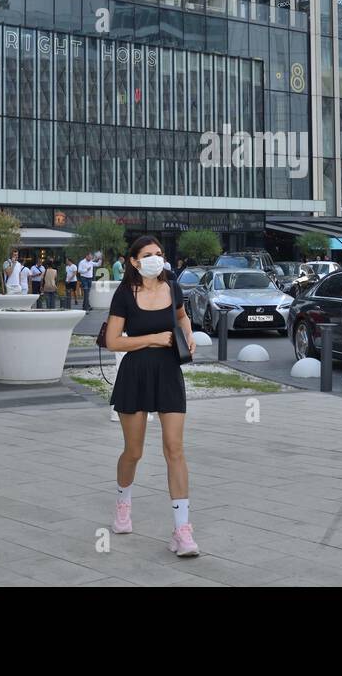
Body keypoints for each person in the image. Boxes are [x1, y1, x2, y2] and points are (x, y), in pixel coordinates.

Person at [105, 235, 198, 557]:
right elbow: (113, 341)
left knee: (175, 449)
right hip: (135, 374)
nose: (156, 259)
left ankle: (182, 531)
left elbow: (182, 315)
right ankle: (122, 503)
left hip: (169, 372)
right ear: (134, 261)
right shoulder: (124, 294)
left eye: (159, 253)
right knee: (133, 451)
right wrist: (153, 339)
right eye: (148, 254)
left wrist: (187, 333)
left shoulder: (173, 287)